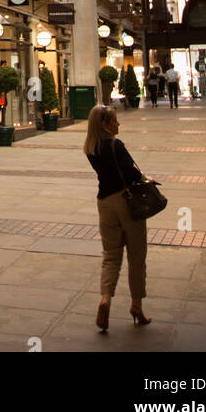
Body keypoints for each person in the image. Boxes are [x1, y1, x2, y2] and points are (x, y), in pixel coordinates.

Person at [84, 105, 151, 331]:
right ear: (105, 124)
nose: (118, 124)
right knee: (136, 255)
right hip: (126, 202)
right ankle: (136, 306)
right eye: (114, 120)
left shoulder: (90, 147)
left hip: (104, 203)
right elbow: (131, 172)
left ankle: (105, 298)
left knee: (110, 256)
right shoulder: (115, 145)